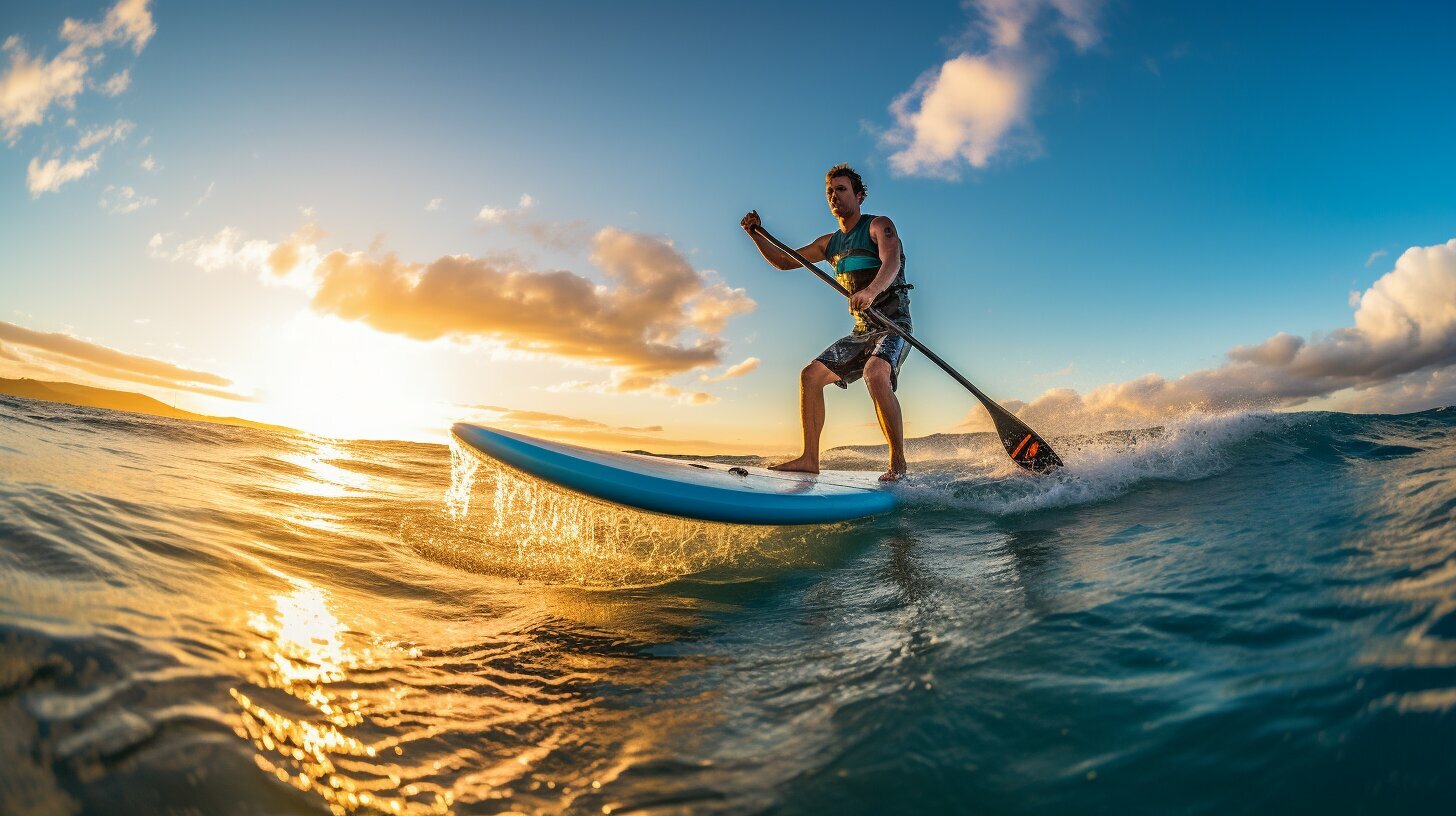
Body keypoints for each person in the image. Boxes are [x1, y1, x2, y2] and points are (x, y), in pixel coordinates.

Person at [741, 164, 914, 481]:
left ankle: (898, 464)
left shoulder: (879, 226)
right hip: (862, 331)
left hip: (893, 325)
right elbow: (784, 260)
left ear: (859, 195)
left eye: (842, 189)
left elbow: (891, 262)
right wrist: (754, 235)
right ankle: (809, 459)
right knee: (810, 376)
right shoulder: (829, 244)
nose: (835, 196)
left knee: (875, 373)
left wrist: (872, 290)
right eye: (830, 191)